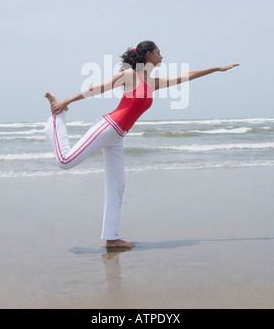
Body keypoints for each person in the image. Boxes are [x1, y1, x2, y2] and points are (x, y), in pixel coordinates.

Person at [44, 41, 239, 249]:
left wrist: (215, 69)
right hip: (108, 126)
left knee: (117, 186)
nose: (162, 56)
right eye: (158, 52)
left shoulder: (151, 82)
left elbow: (187, 76)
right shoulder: (130, 76)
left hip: (117, 136)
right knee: (65, 161)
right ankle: (56, 121)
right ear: (148, 56)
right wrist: (65, 102)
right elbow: (96, 89)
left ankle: (112, 238)